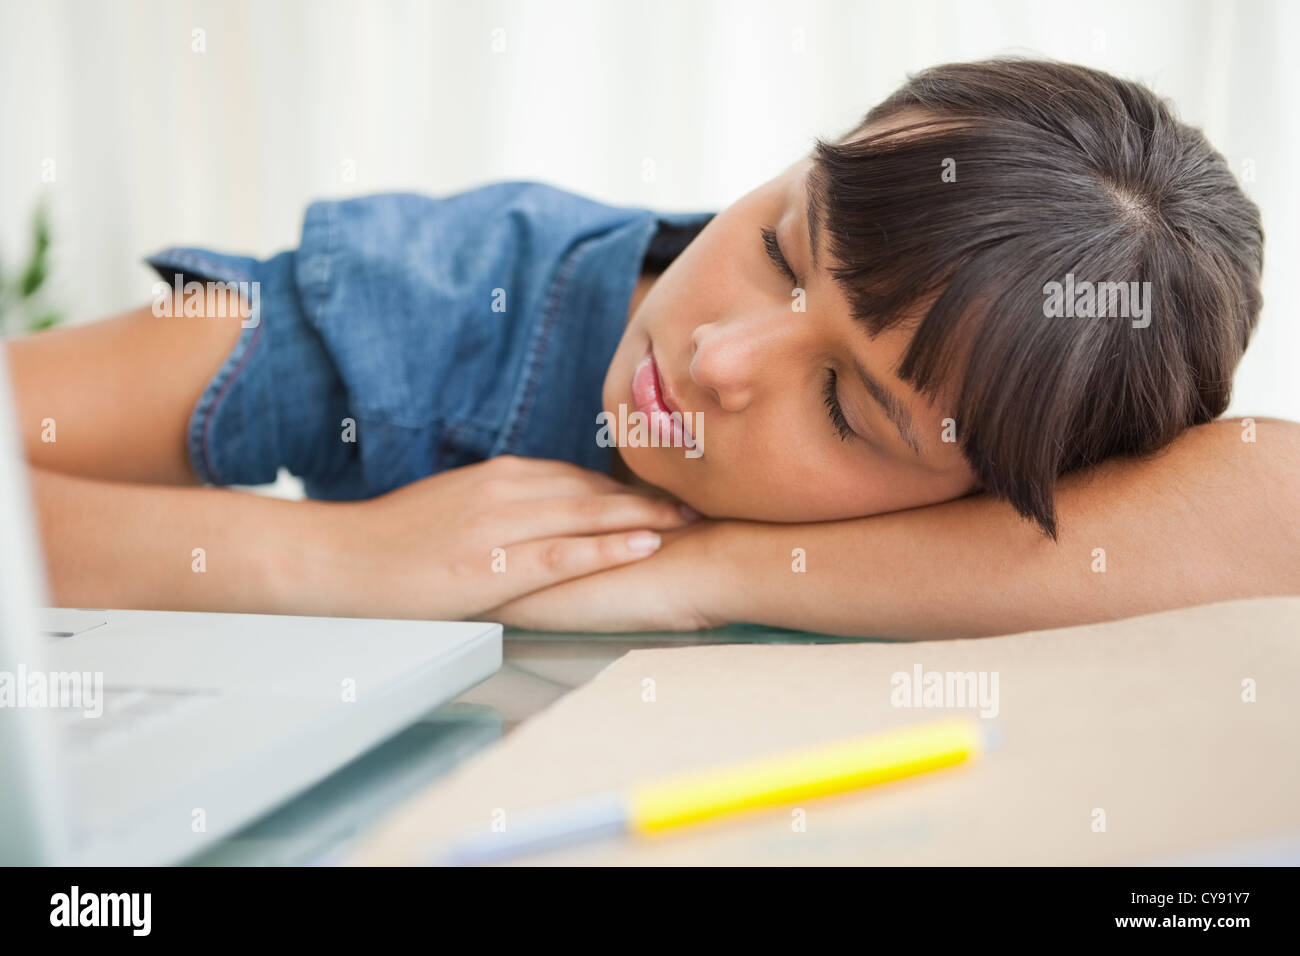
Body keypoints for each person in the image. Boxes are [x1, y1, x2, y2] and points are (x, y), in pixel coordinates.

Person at [8, 59, 1297, 638]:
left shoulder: (1040, 494)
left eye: (848, 411)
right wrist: (325, 558)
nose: (719, 358)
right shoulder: (447, 299)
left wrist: (716, 572)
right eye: (785, 248)